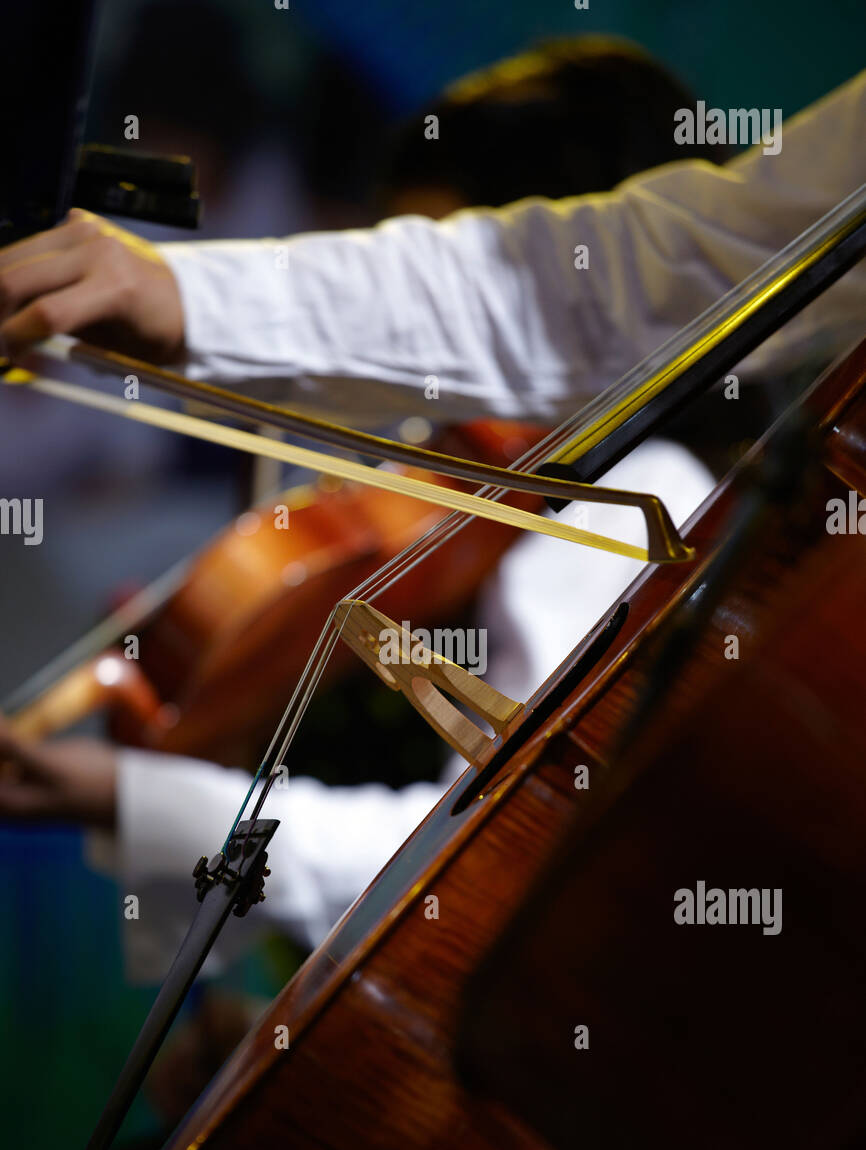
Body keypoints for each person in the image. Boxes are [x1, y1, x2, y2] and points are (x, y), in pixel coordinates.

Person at [1, 51, 865, 985]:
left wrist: (136, 798)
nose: (425, 408)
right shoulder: (476, 525)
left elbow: (494, 854)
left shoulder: (633, 512)